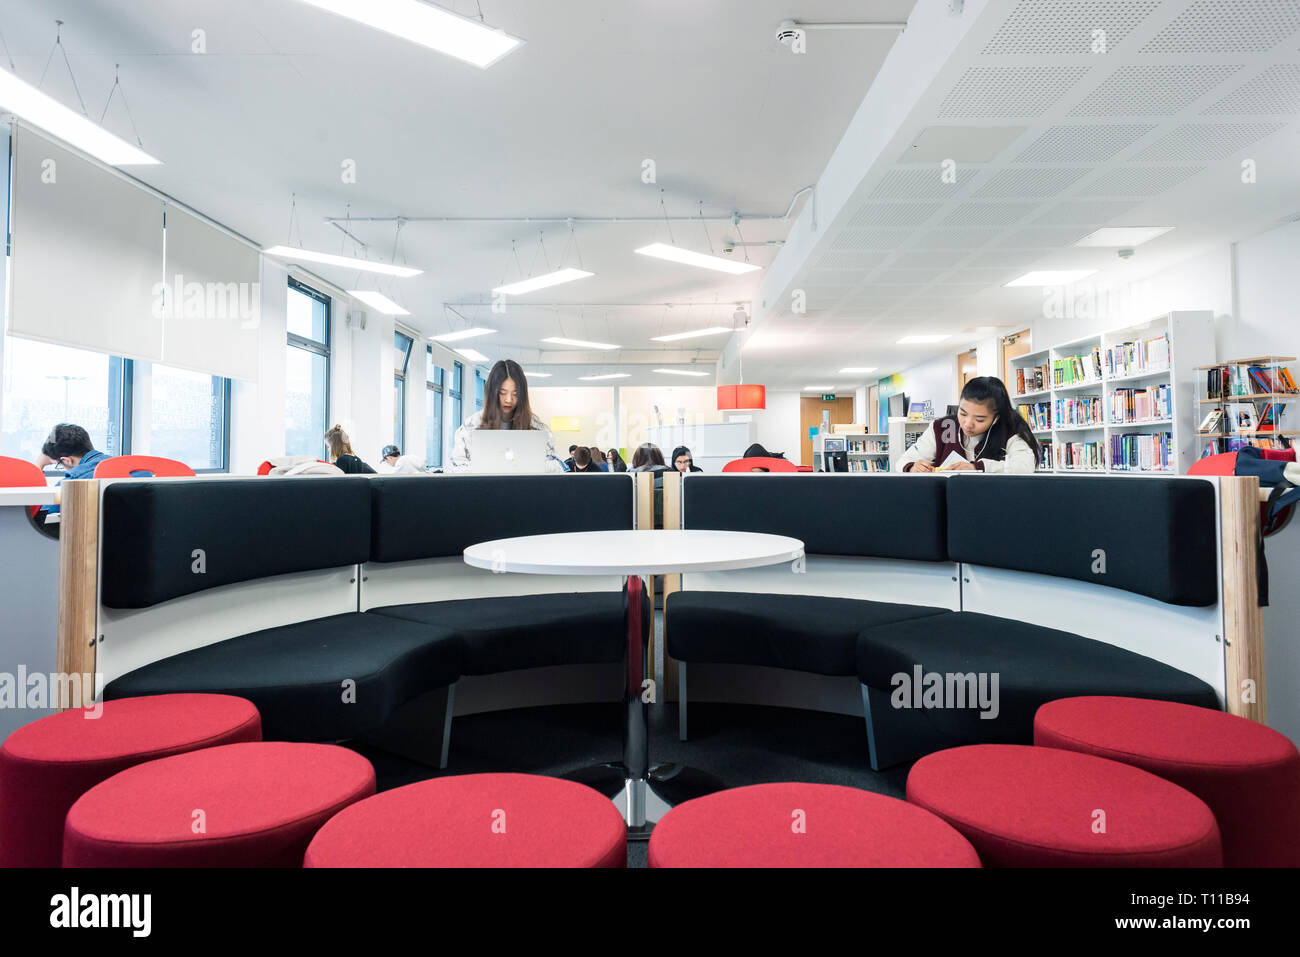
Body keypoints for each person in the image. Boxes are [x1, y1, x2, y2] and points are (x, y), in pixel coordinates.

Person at [898, 376, 1038, 474]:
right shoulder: (944, 427)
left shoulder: (1011, 430)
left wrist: (977, 468)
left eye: (979, 419)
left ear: (996, 418)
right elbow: (903, 461)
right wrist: (912, 467)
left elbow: (1024, 467)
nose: (968, 424)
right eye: (963, 413)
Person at [448, 359, 561, 473]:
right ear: (492, 393)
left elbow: (557, 467)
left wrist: (527, 466)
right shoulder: (471, 426)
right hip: (484, 484)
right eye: (502, 393)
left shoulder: (537, 428)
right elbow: (454, 468)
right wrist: (487, 469)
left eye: (515, 394)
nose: (509, 400)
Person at [35, 424, 108, 515]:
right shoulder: (120, 464)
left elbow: (39, 511)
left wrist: (39, 464)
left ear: (67, 460)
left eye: (60, 464)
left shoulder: (75, 480)